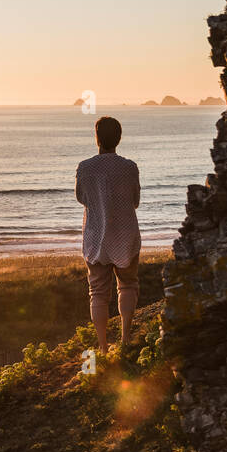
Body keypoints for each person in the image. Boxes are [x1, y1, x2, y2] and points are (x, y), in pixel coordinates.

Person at [75, 115, 140, 354]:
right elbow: (135, 201)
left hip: (95, 237)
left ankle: (102, 347)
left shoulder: (84, 167)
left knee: (98, 292)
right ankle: (124, 339)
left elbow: (81, 198)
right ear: (119, 139)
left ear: (97, 139)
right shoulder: (129, 167)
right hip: (126, 236)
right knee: (128, 285)